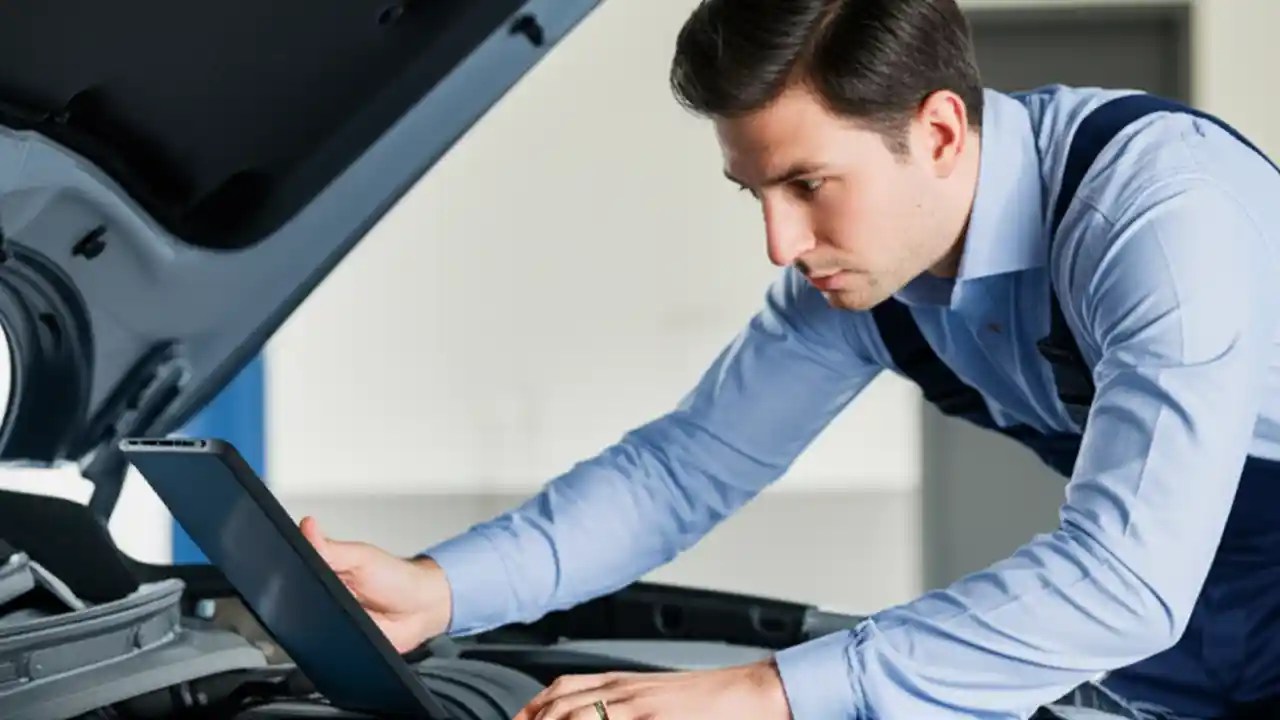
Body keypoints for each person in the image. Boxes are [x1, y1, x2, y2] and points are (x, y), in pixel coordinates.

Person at [299, 0, 1280, 717]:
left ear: (937, 132)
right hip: (1194, 634)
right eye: (754, 192)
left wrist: (763, 691)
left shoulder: (1156, 215)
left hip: (1170, 599)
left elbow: (1125, 579)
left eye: (809, 184)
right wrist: (438, 588)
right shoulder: (866, 278)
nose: (779, 241)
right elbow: (679, 473)